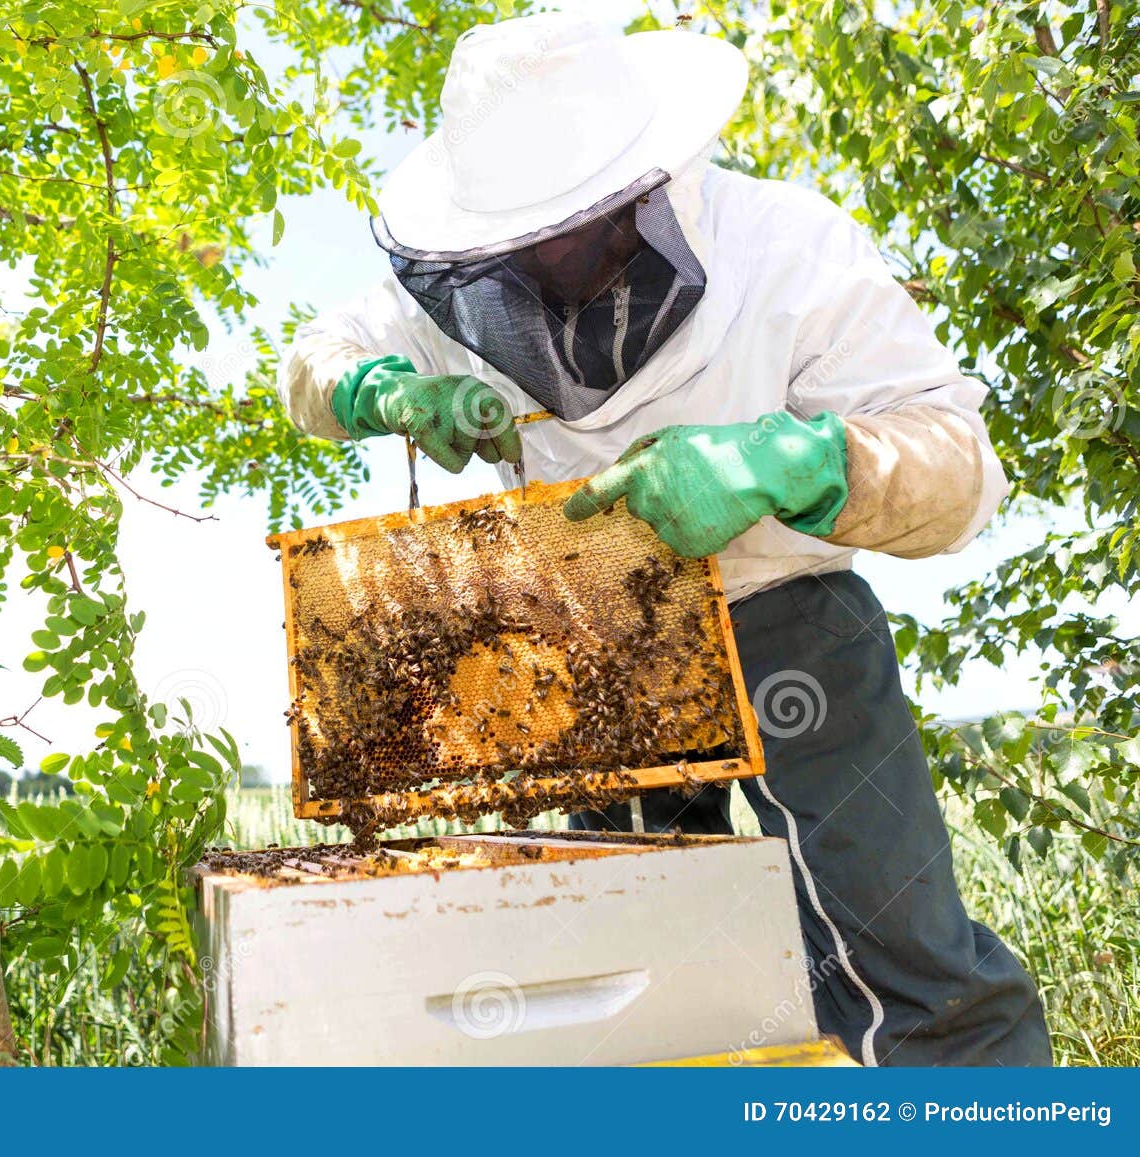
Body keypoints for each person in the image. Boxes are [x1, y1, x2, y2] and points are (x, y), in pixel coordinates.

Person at [276, 13, 1050, 1066]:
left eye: (569, 224)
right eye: (516, 241)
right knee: (634, 968)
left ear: (640, 185)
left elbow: (961, 466)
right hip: (586, 639)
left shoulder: (786, 244)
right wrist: (379, 389)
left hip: (788, 621)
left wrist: (799, 463)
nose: (544, 258)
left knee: (898, 955)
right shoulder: (451, 284)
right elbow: (310, 364)